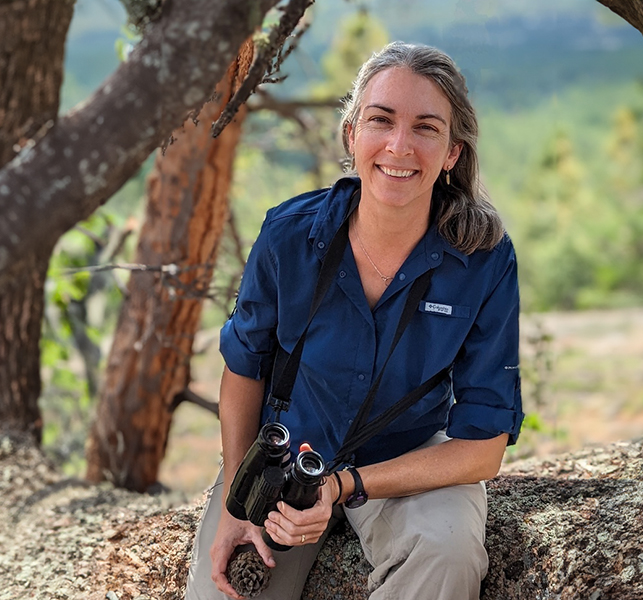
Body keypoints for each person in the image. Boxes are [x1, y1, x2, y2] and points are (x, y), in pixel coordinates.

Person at [185, 41, 523, 600]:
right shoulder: (289, 235)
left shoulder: (484, 260)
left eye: (426, 128)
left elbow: (483, 448)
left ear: (451, 154)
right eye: (381, 120)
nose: (399, 145)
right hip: (285, 453)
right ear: (351, 135)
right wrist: (237, 501)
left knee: (446, 551)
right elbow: (243, 369)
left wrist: (345, 486)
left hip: (406, 459)